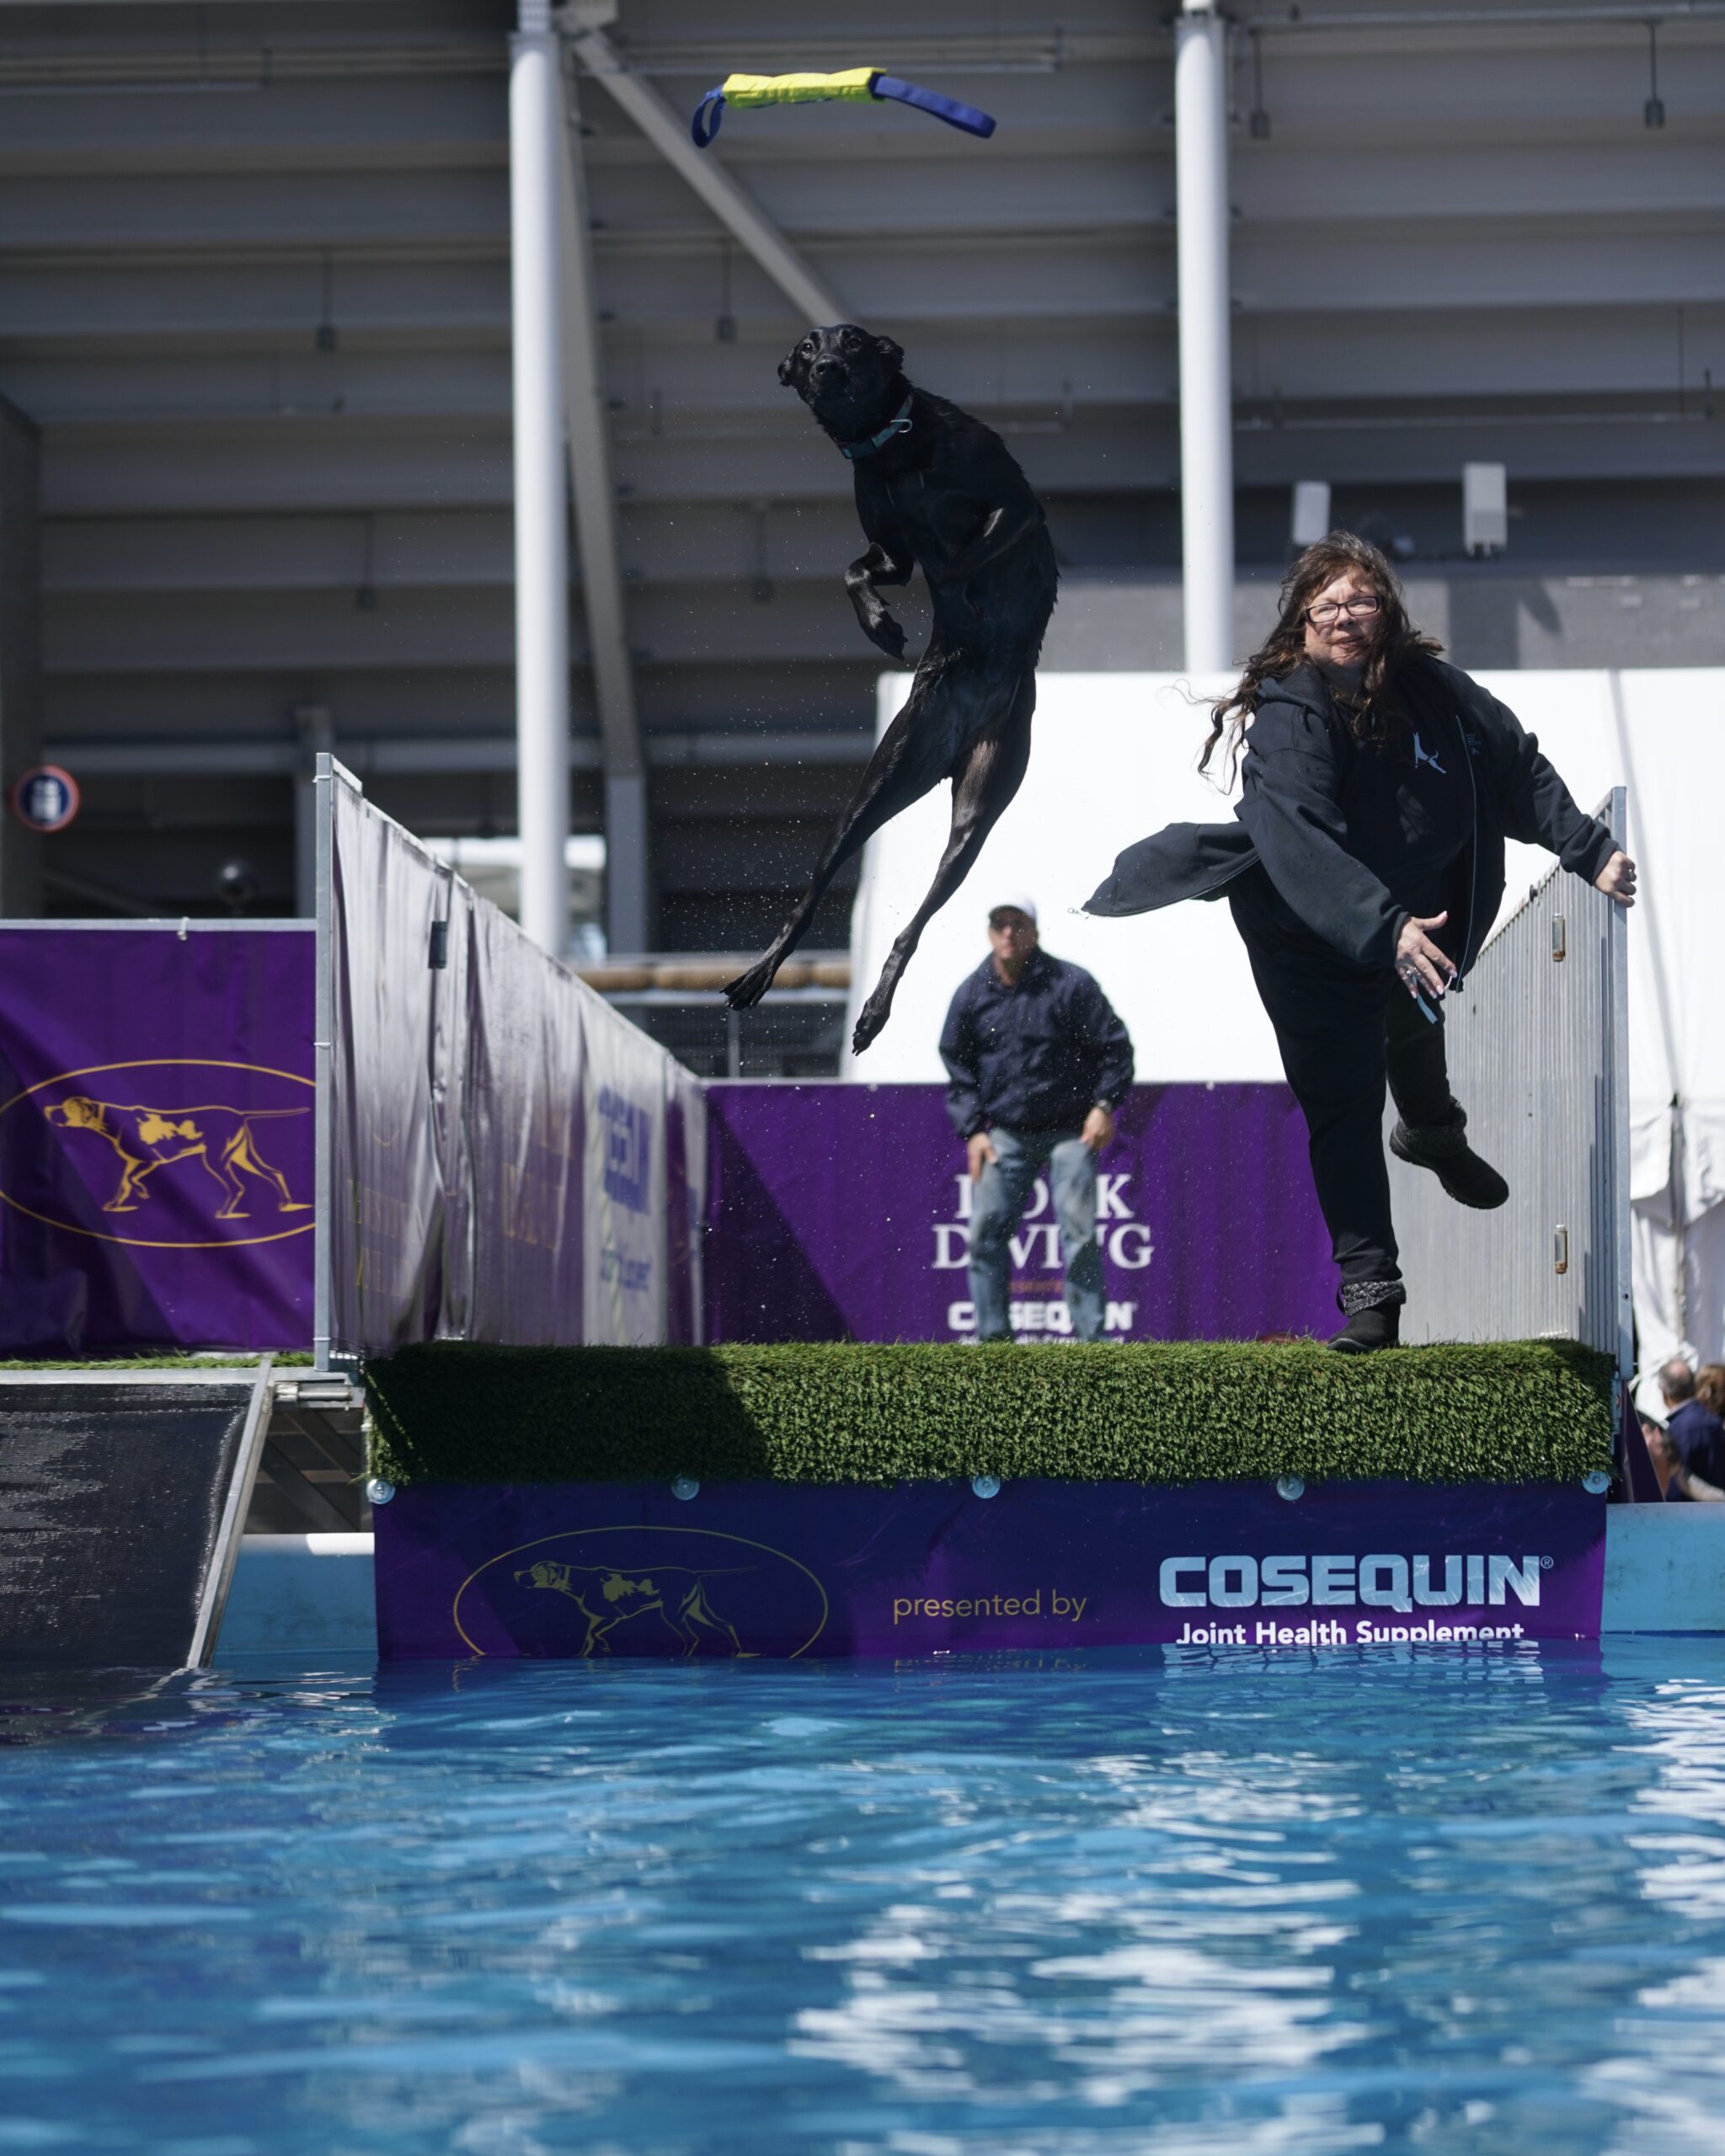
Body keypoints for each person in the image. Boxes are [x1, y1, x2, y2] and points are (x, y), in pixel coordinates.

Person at [1085, 531, 1637, 1352]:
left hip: (1414, 926)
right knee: (1342, 1105)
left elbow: (1512, 766)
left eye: (1361, 600)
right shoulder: (1289, 710)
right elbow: (1296, 828)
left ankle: (1431, 1132)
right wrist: (1381, 925)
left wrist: (1589, 851)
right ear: (1300, 623)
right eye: (1327, 605)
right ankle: (1371, 1294)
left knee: (1413, 1022)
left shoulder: (1435, 693)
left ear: (1386, 610)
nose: (1345, 617)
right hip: (1304, 932)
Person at [940, 894, 1134, 1342]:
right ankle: (993, 1343)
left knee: (1079, 1232)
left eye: (1018, 923)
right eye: (1000, 922)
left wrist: (1103, 1108)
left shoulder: (1070, 984)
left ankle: (1092, 1343)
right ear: (990, 931)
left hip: (1071, 1132)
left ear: (1035, 931)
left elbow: (1115, 1049)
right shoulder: (972, 993)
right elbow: (957, 1067)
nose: (1008, 932)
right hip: (1004, 1134)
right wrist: (972, 1132)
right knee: (985, 1234)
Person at [1658, 1358, 1725, 1497]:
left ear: (1665, 1393)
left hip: (1691, 1515)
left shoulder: (1677, 1430)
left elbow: (1675, 1488)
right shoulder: (1714, 1421)